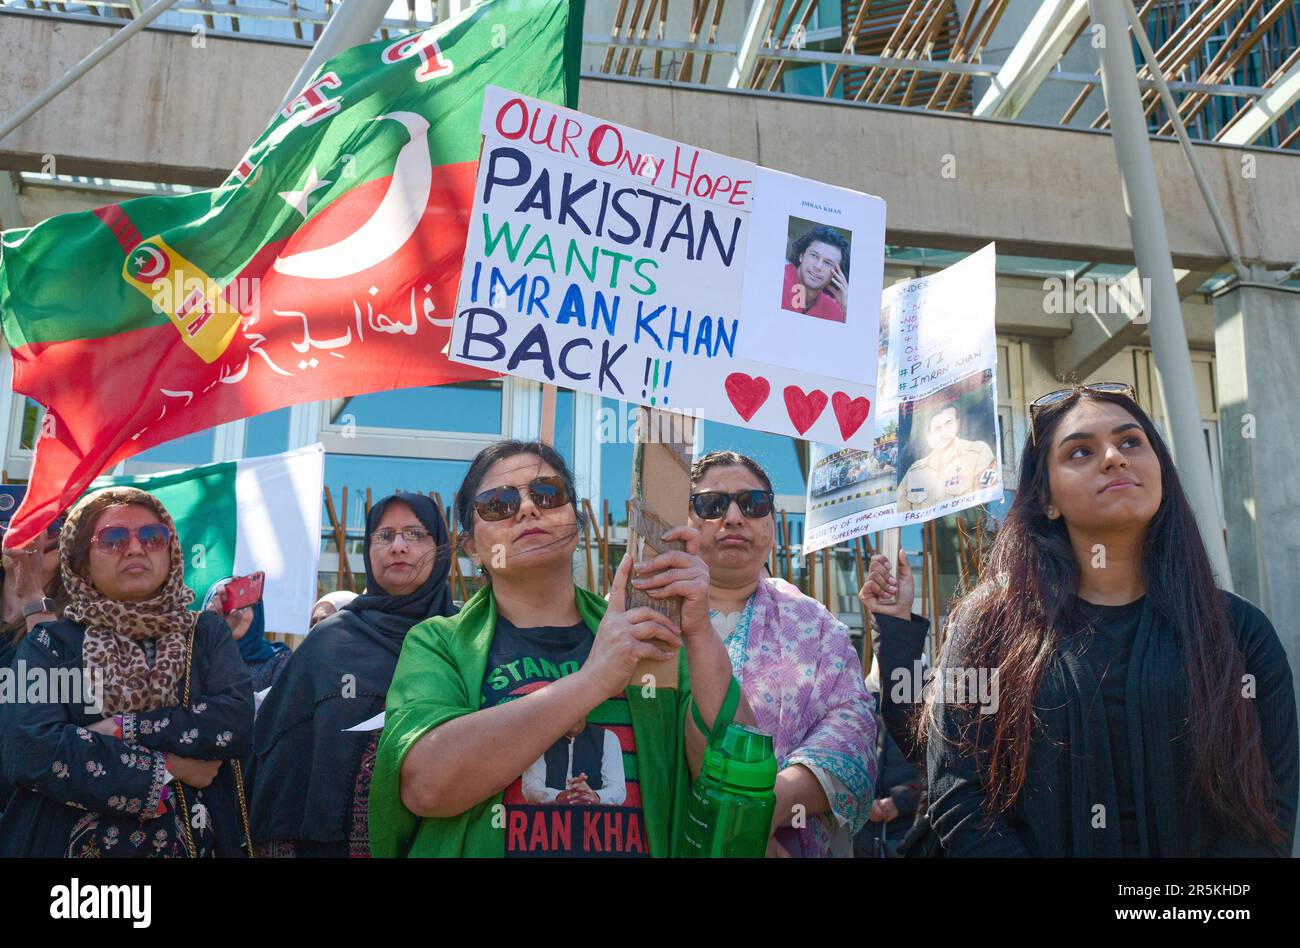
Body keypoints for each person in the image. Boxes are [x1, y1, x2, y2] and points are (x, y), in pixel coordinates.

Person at [918, 384, 1298, 856]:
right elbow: (959, 793)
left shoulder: (1241, 631)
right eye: (1080, 451)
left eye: (1132, 442)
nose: (1115, 458)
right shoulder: (987, 627)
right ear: (1047, 499)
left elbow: (1269, 807)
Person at [368, 440, 748, 858]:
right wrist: (592, 681)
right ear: (473, 547)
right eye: (498, 503)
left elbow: (737, 764)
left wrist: (698, 633)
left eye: (548, 494)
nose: (528, 509)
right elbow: (427, 785)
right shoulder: (437, 642)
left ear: (577, 521)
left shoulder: (644, 633)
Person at [0, 487, 255, 857]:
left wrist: (124, 728)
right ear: (83, 561)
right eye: (113, 538)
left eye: (153, 537)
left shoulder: (203, 634)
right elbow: (31, 748)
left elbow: (233, 723)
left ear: (171, 552)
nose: (136, 548)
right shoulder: (50, 643)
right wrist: (168, 767)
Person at [689, 450, 877, 857]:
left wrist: (766, 805)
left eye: (753, 504)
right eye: (712, 505)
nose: (734, 517)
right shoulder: (639, 611)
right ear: (685, 520)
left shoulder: (816, 625)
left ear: (770, 524)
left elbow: (852, 730)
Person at [246, 492, 454, 857]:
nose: (398, 547)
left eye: (415, 535)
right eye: (384, 536)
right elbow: (275, 753)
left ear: (440, 549)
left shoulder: (465, 637)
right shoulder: (330, 640)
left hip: (446, 838)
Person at [895, 404, 997, 512]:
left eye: (949, 423)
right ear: (929, 436)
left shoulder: (979, 452)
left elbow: (988, 501)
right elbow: (898, 513)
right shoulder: (914, 472)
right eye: (937, 428)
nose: (944, 433)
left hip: (967, 527)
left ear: (957, 424)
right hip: (925, 529)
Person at [203, 577, 291, 693]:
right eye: (225, 606)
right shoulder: (190, 653)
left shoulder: (278, 660)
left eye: (243, 607)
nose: (234, 613)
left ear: (257, 613)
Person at [0, 519, 67, 669]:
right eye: (19, 528)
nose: (40, 535)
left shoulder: (77, 619)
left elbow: (49, 684)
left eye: (53, 526)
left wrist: (32, 595)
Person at [521, 713, 627, 806]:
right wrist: (558, 797)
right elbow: (530, 788)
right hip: (547, 822)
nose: (573, 715)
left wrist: (594, 796)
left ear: (588, 709)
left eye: (578, 708)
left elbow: (618, 790)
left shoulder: (607, 738)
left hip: (596, 822)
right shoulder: (540, 740)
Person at [781, 225, 850, 322]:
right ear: (801, 255)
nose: (818, 267)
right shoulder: (776, 280)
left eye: (827, 263)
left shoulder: (835, 310)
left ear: (837, 273)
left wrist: (847, 310)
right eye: (814, 255)